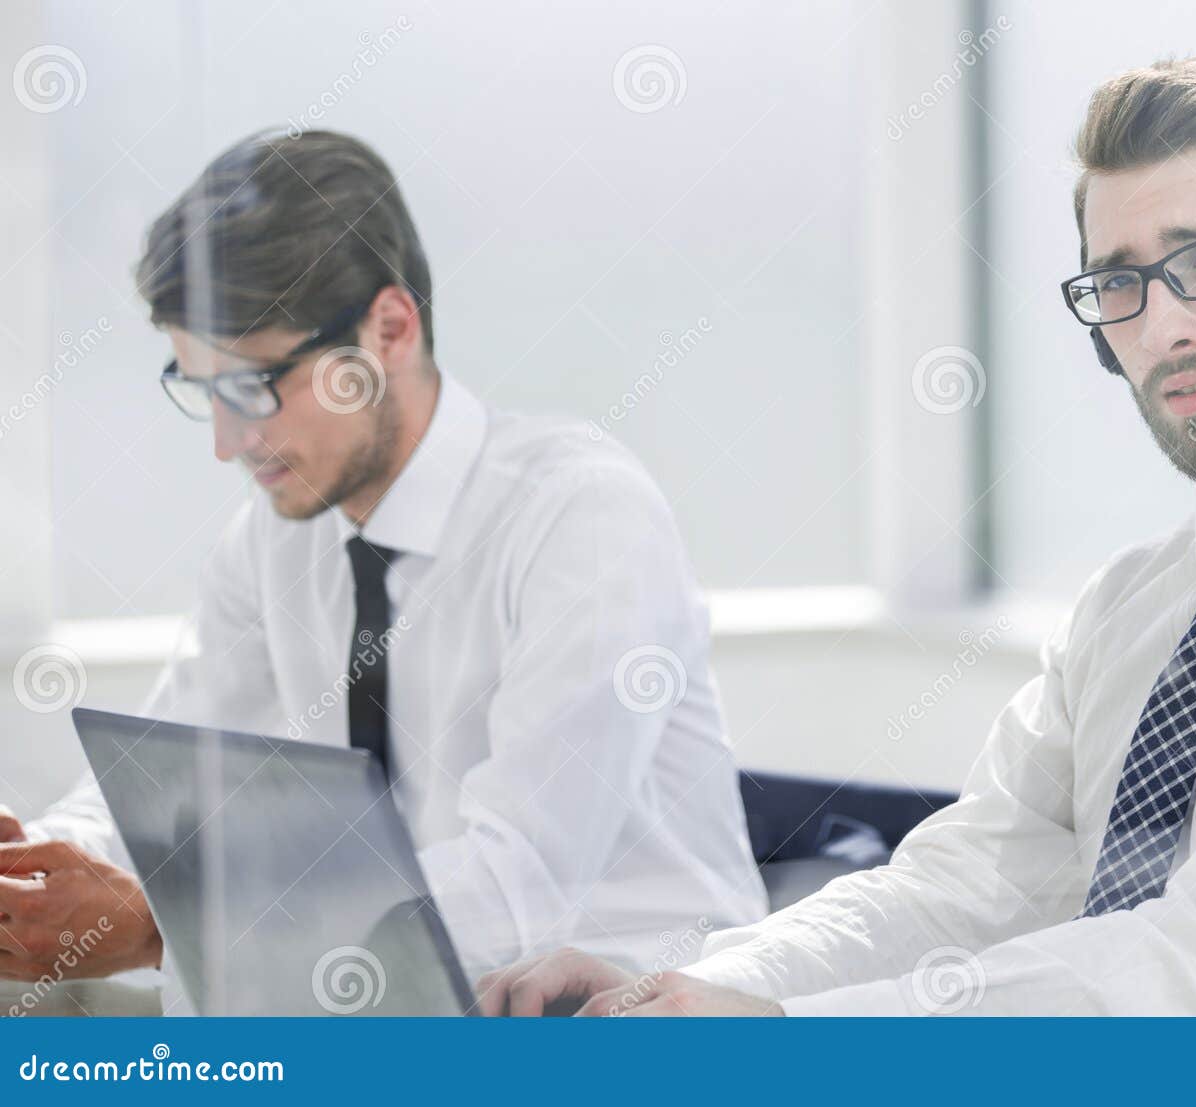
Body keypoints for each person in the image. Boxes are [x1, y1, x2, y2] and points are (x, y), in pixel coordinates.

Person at [477, 55, 1196, 1017]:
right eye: (1120, 282)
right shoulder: (1134, 604)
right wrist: (691, 986)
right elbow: (958, 892)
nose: (1163, 325)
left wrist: (778, 1030)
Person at [0, 131, 766, 990]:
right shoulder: (276, 537)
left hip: (634, 1013)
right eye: (201, 390)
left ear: (390, 329)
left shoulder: (582, 518)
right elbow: (159, 791)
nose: (226, 443)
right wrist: (31, 863)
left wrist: (164, 927)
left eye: (252, 386)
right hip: (390, 1008)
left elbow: (517, 886)